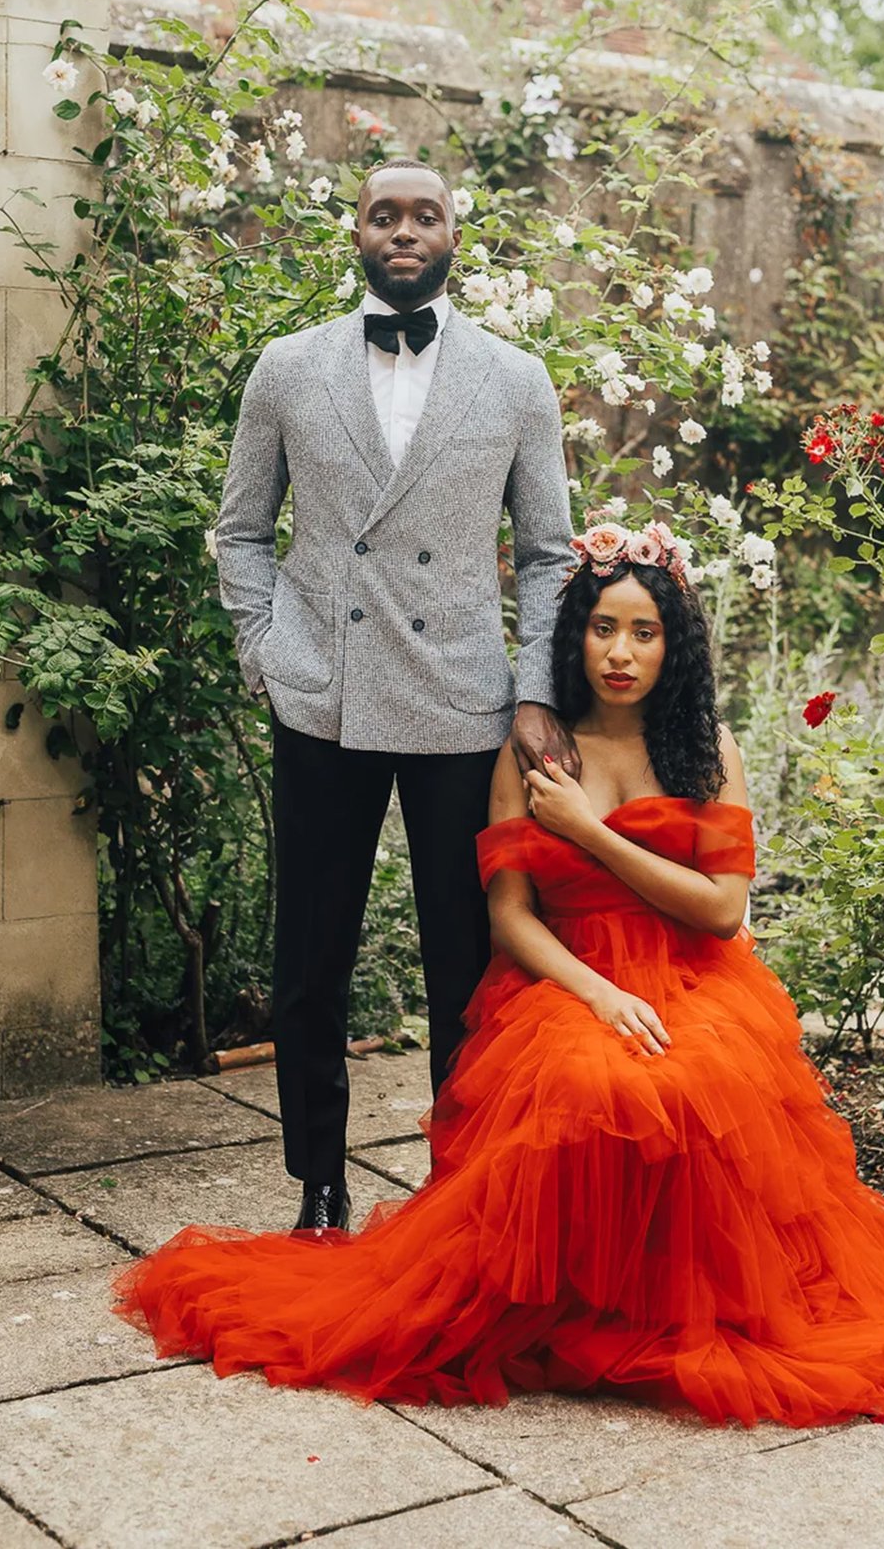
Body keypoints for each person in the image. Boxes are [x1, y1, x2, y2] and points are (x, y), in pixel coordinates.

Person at [114, 521, 884, 1429]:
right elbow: (510, 918)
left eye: (643, 631)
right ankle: (572, 1303)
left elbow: (717, 908)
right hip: (569, 975)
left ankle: (671, 1302)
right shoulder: (532, 752)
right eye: (600, 629)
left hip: (696, 972)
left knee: (704, 1081)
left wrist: (589, 831)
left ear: (676, 643)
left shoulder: (709, 750)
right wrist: (598, 992)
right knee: (589, 1080)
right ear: (572, 637)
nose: (620, 654)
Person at [215, 157, 578, 1232]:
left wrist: (533, 691)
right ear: (357, 233)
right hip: (321, 694)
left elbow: (550, 554)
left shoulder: (517, 380)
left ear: (455, 235)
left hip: (461, 701)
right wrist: (266, 654)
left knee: (464, 956)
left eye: (426, 215)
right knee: (311, 955)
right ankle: (319, 1183)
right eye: (385, 214)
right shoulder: (288, 367)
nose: (405, 231)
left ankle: (462, 1179)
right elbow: (240, 530)